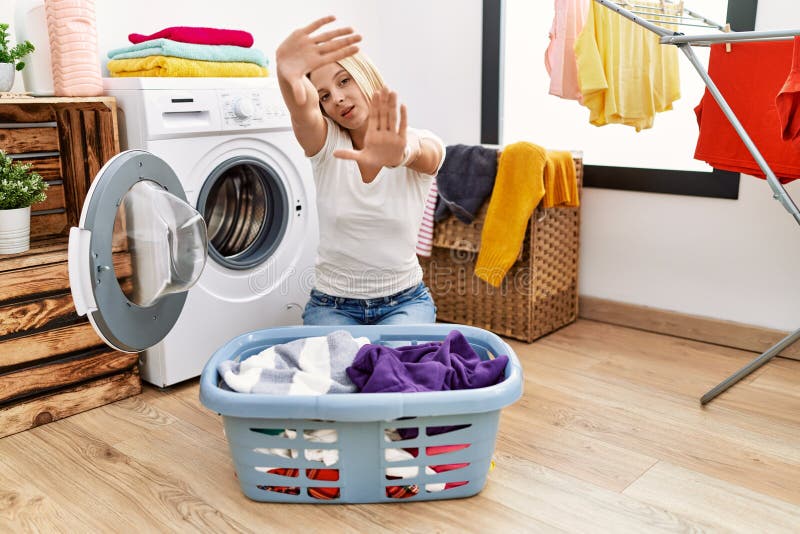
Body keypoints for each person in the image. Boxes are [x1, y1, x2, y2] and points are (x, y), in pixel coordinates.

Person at [276, 16, 445, 326]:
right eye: (324, 95)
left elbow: (429, 155)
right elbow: (302, 113)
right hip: (332, 305)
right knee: (339, 371)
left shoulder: (418, 140)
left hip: (405, 302)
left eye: (344, 81)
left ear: (364, 75)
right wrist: (286, 74)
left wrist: (401, 155)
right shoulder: (325, 146)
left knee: (394, 370)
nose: (337, 98)